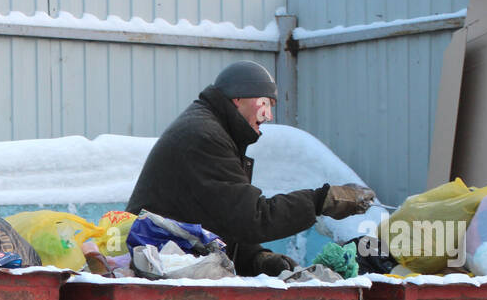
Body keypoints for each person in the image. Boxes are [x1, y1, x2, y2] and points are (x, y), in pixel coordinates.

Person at [126, 60, 373, 276]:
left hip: (165, 259)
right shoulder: (205, 137)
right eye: (264, 103)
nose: (269, 115)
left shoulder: (211, 128)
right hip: (157, 266)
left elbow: (218, 218)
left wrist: (256, 259)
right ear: (238, 99)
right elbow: (253, 218)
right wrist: (322, 201)